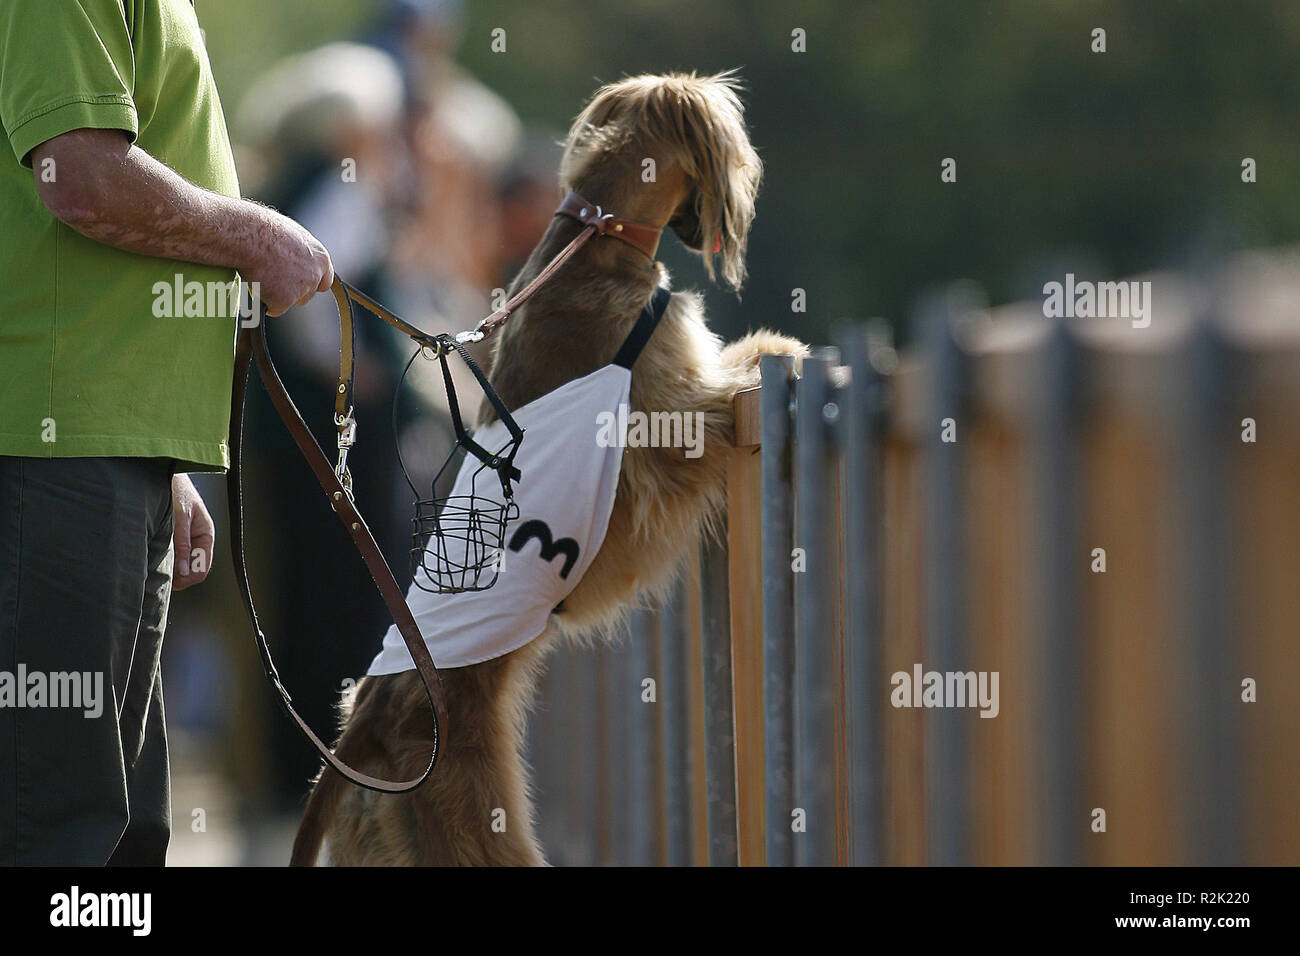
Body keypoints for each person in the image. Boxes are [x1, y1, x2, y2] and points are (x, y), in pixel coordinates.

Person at [0, 0, 333, 865]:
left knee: (123, 836)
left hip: (104, 448)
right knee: (62, 831)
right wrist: (253, 235)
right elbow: (74, 176)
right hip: (56, 447)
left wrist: (163, 462)